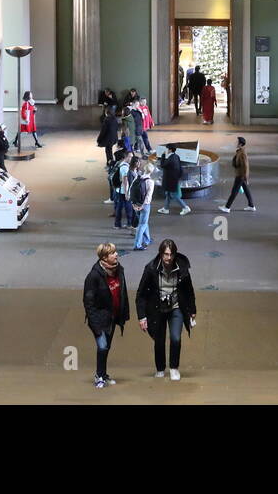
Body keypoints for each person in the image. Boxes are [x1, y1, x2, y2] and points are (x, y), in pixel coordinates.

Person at [136, 239, 197, 381]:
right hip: (157, 309)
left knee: (175, 338)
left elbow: (189, 290)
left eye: (171, 254)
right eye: (165, 254)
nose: (168, 258)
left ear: (175, 254)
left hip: (176, 307)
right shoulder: (150, 268)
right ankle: (160, 369)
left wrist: (192, 309)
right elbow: (141, 295)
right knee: (159, 340)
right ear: (161, 254)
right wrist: (142, 316)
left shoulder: (182, 268)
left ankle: (174, 368)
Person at [82, 242, 129, 389]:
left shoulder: (118, 270)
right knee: (102, 346)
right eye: (113, 253)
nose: (116, 255)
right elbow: (88, 302)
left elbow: (122, 293)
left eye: (115, 252)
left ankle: (104, 373)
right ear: (104, 257)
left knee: (107, 346)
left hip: (112, 317)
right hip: (99, 319)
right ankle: (99, 376)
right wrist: (95, 325)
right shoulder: (94, 276)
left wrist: (123, 313)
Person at [218, 136, 255, 212]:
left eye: (237, 142)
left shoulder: (242, 153)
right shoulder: (239, 151)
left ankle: (227, 207)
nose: (235, 143)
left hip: (240, 175)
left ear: (241, 144)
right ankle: (251, 206)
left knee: (234, 191)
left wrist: (245, 177)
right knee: (246, 190)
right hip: (240, 174)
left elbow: (246, 166)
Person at [130, 157, 155, 251]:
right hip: (144, 206)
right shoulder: (150, 182)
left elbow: (131, 190)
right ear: (151, 172)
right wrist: (143, 206)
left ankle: (147, 239)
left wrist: (134, 204)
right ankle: (137, 245)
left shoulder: (138, 177)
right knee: (142, 224)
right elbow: (148, 197)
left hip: (136, 203)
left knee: (144, 223)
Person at [157, 145, 191, 215]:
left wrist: (163, 155)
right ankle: (166, 209)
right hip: (174, 179)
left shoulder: (170, 159)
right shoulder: (176, 156)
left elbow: (162, 165)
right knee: (168, 194)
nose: (166, 150)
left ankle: (185, 207)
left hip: (170, 181)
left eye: (167, 149)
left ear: (170, 150)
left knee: (174, 195)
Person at [113, 150, 135, 231]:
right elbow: (125, 181)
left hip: (120, 190)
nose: (132, 158)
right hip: (124, 191)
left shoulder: (121, 164)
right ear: (126, 157)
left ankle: (117, 224)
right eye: (131, 157)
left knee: (119, 207)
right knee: (128, 208)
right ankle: (129, 224)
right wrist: (127, 193)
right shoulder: (125, 168)